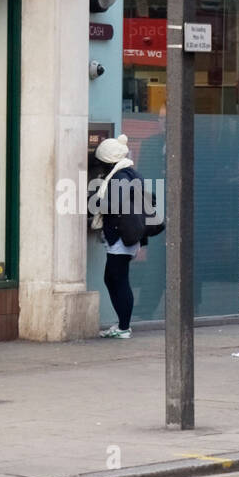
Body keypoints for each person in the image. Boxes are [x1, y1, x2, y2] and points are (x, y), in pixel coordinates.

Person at [89, 132, 159, 340]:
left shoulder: (119, 177)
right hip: (129, 234)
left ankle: (123, 327)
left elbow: (114, 205)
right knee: (114, 278)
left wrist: (93, 200)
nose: (99, 166)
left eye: (101, 162)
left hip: (122, 236)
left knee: (117, 279)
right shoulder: (130, 173)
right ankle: (123, 325)